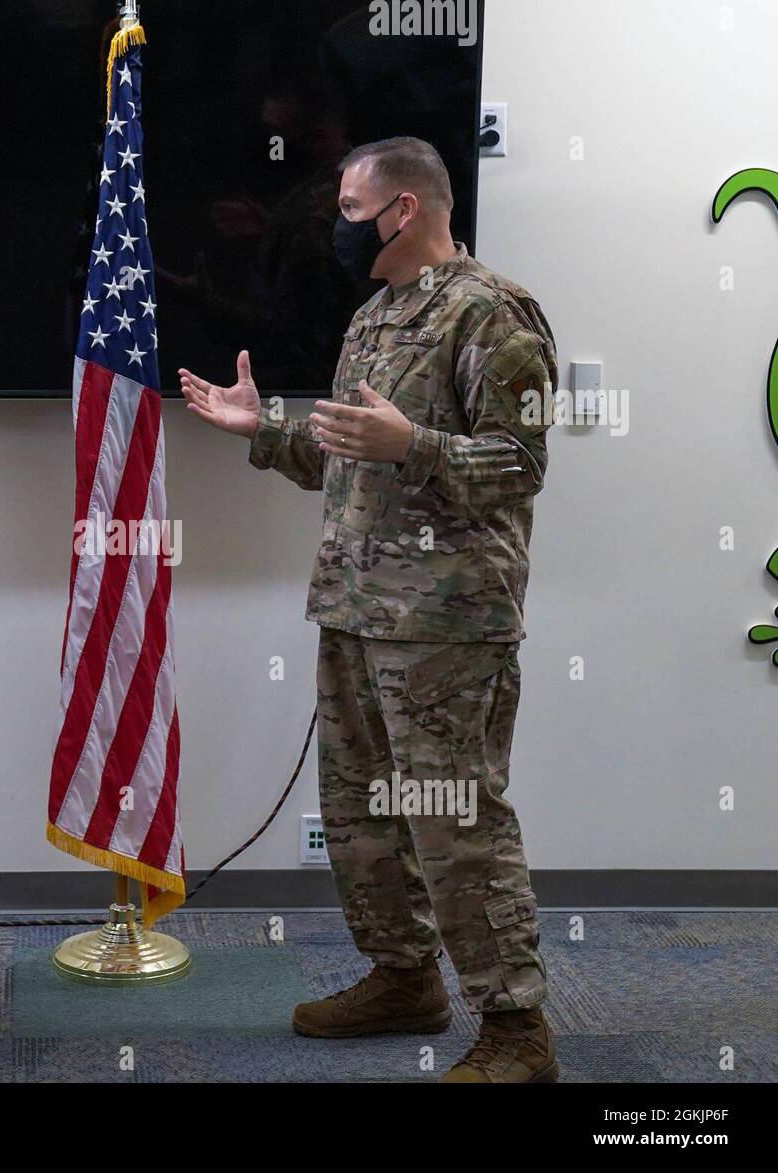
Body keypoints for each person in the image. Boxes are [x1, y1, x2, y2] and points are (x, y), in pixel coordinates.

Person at [179, 136, 559, 1083]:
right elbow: (350, 457)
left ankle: (517, 1030)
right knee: (360, 813)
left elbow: (523, 468)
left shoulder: (494, 316)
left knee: (454, 816)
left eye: (346, 211)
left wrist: (417, 444)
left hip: (446, 622)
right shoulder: (375, 317)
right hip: (355, 608)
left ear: (404, 211)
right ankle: (403, 976)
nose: (329, 228)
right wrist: (260, 428)